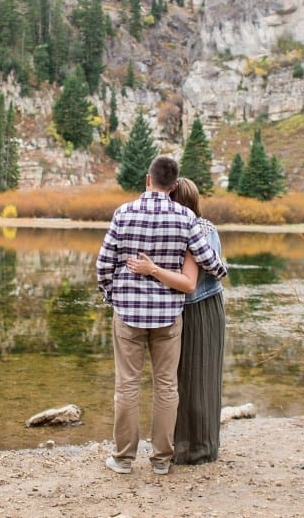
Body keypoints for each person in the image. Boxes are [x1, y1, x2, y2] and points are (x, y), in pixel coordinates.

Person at [96, 157, 228, 476]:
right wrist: (218, 269)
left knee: (127, 385)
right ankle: (160, 460)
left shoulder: (123, 213)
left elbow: (103, 265)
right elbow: (213, 264)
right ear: (173, 186)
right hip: (168, 315)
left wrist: (113, 297)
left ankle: (124, 459)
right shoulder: (185, 217)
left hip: (128, 314)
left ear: (147, 179)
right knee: (167, 386)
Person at [127, 177, 226, 465]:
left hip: (203, 309)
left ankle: (201, 447)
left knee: (202, 377)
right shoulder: (171, 230)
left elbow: (212, 272)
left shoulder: (203, 230)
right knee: (177, 380)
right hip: (176, 310)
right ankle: (179, 445)